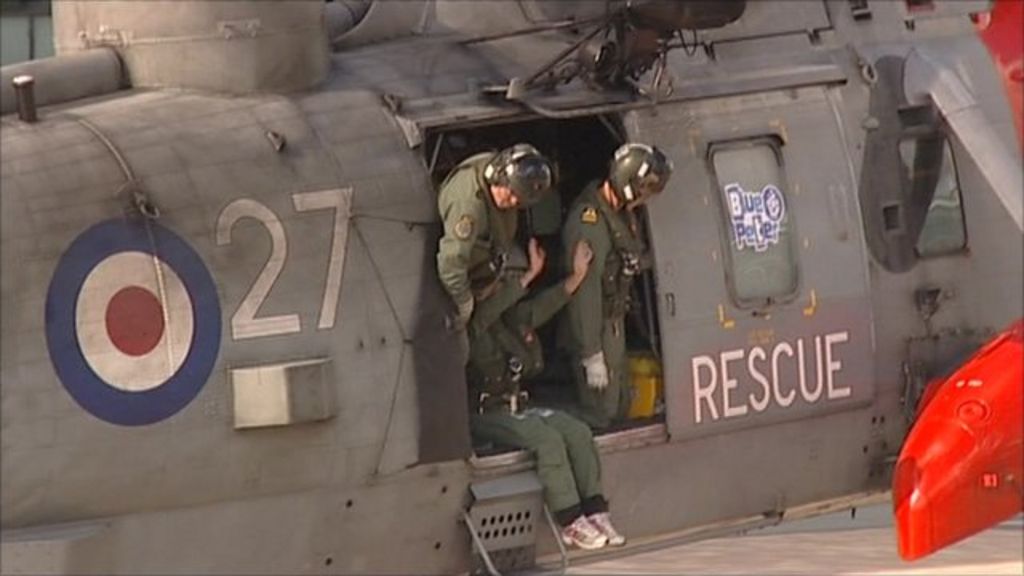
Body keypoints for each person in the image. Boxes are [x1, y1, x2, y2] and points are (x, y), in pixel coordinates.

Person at [467, 238, 626, 550]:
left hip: (516, 408)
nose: (510, 288)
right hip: (485, 414)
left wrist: (578, 276)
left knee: (577, 431)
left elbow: (550, 302)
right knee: (546, 439)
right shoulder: (473, 324)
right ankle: (570, 520)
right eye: (505, 282)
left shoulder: (512, 318)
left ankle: (594, 510)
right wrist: (526, 278)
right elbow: (481, 318)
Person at [561, 143, 673, 430]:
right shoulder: (591, 223)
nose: (645, 196)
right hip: (595, 327)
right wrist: (591, 353)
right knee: (602, 411)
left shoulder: (619, 214)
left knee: (621, 401)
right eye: (643, 187)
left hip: (612, 322)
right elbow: (584, 293)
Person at [436, 144, 553, 344]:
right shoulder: (469, 207)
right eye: (512, 194)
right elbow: (451, 264)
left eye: (520, 199)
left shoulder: (501, 177)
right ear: (501, 178)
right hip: (457, 277)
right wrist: (464, 303)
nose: (514, 201)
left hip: (489, 261)